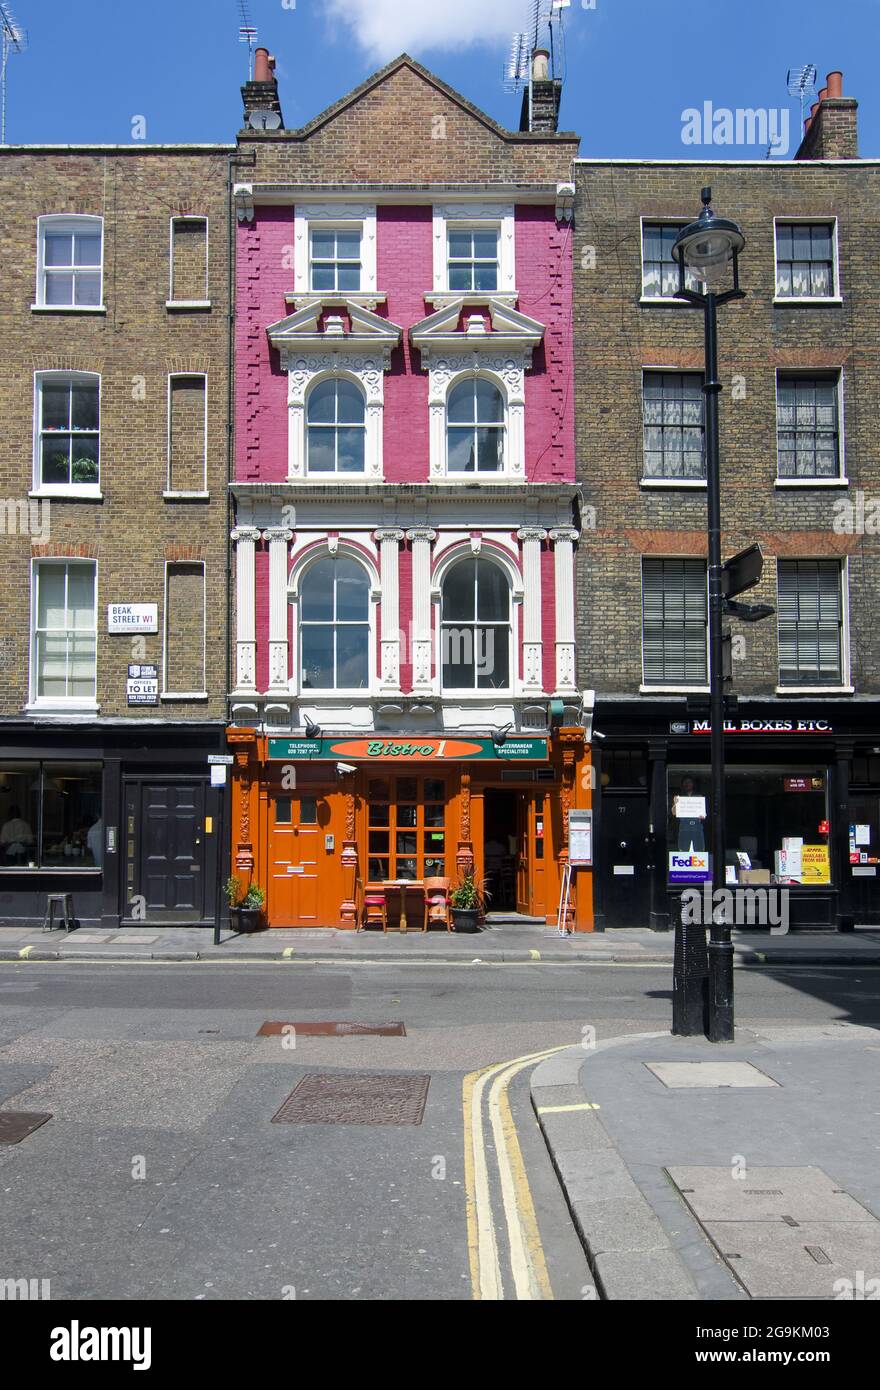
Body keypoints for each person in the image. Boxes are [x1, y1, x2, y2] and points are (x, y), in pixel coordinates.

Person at [674, 775, 706, 852]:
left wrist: (703, 816)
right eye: (685, 783)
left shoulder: (698, 796)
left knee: (699, 850)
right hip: (684, 826)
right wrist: (675, 803)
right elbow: (674, 813)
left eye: (689, 782)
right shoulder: (679, 797)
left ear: (693, 784)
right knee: (683, 850)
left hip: (697, 826)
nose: (687, 784)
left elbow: (704, 814)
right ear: (682, 785)